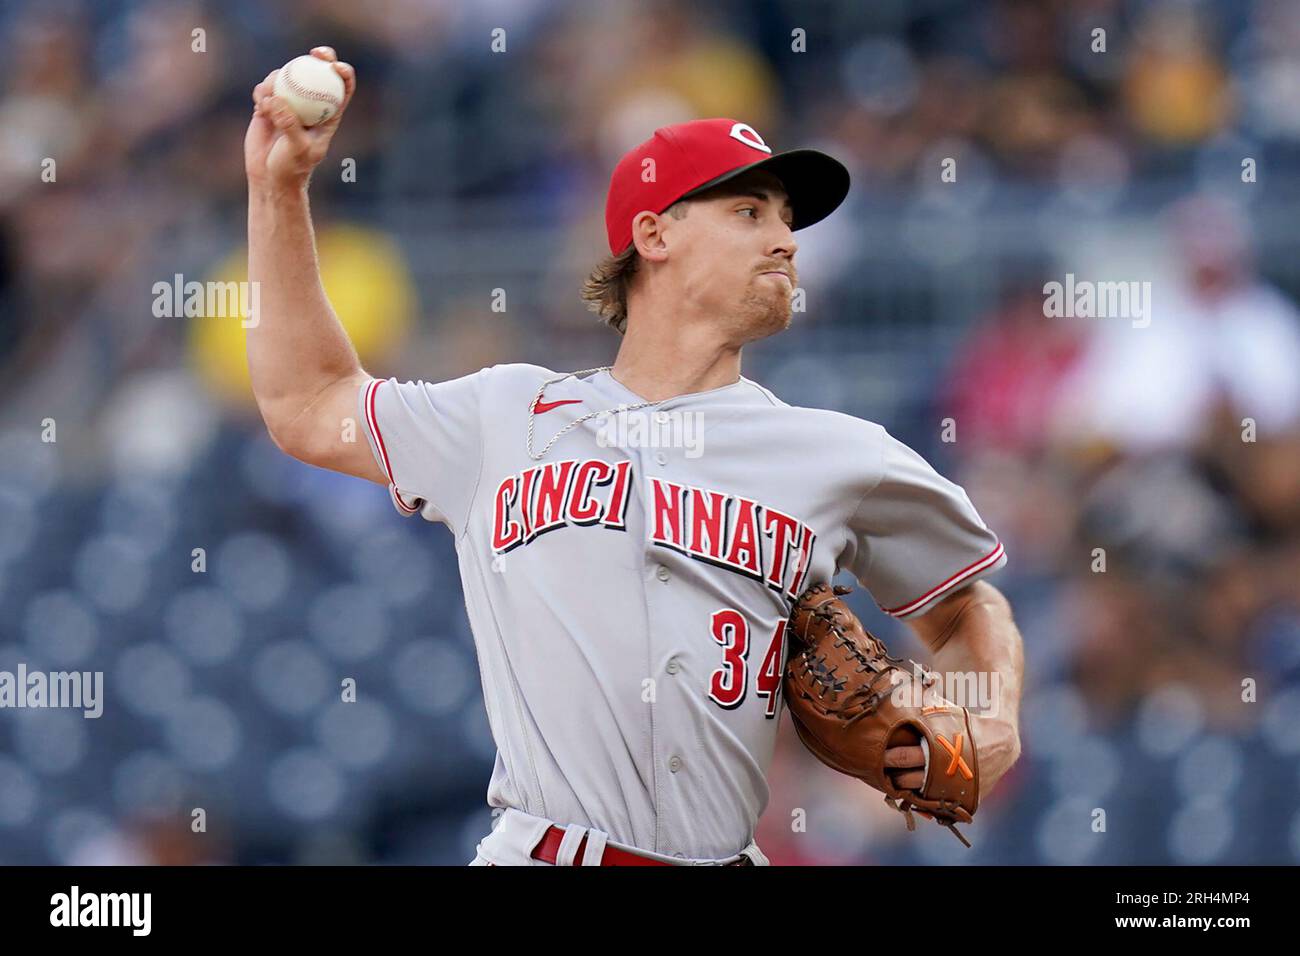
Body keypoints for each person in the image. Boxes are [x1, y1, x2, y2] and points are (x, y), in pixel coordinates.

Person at [244, 48, 1024, 866]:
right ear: (653, 233)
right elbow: (308, 403)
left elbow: (965, 607)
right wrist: (278, 189)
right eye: (751, 212)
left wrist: (989, 723)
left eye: (789, 220)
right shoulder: (507, 414)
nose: (787, 241)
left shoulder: (839, 456)